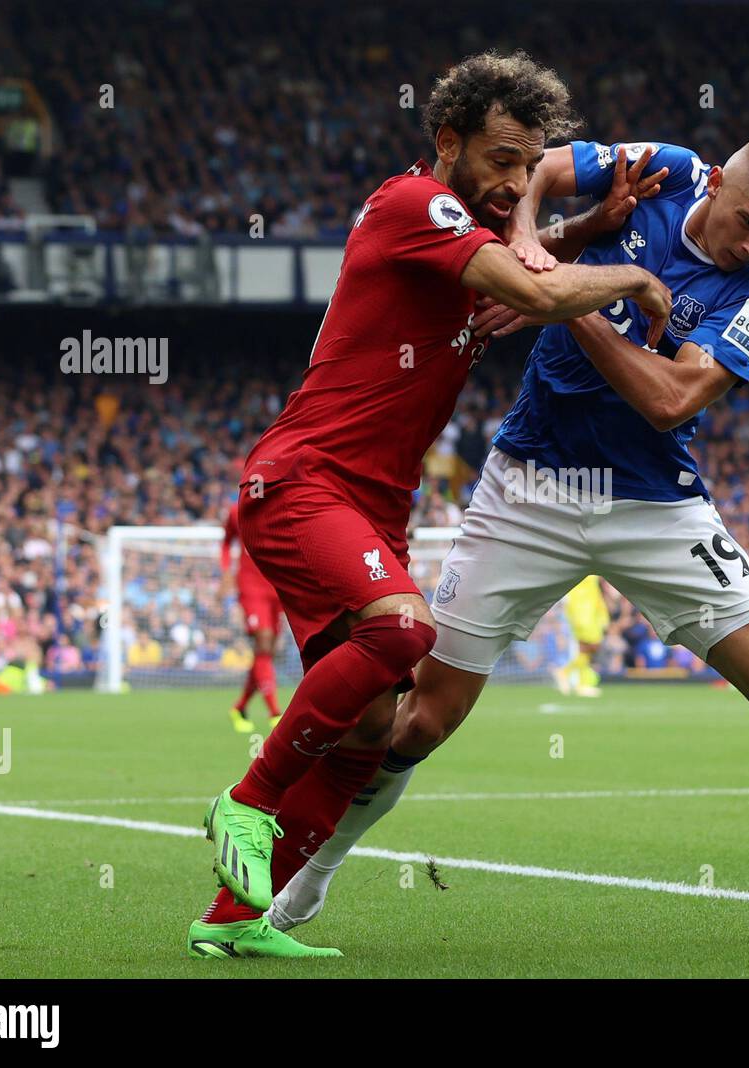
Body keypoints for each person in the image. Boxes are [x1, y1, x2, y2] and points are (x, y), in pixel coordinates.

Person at [268, 131, 749, 935]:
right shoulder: (666, 170)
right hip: (529, 488)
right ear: (715, 182)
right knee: (421, 719)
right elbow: (539, 165)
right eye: (748, 222)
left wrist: (561, 295)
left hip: (654, 504)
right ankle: (314, 873)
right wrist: (527, 237)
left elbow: (671, 400)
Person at [188, 50, 672, 960]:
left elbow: (522, 267)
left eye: (531, 165)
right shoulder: (415, 203)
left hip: (371, 507)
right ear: (447, 142)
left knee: (375, 725)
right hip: (305, 481)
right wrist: (636, 277)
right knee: (407, 632)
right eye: (500, 159)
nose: (518, 182)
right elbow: (530, 288)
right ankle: (246, 801)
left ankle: (233, 922)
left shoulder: (454, 242)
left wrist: (588, 227)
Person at [221, 500, 283, 733]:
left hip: (276, 586)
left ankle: (240, 707)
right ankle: (275, 713)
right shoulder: (237, 512)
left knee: (266, 652)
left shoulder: (283, 508)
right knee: (264, 641)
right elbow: (226, 542)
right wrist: (227, 571)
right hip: (251, 586)